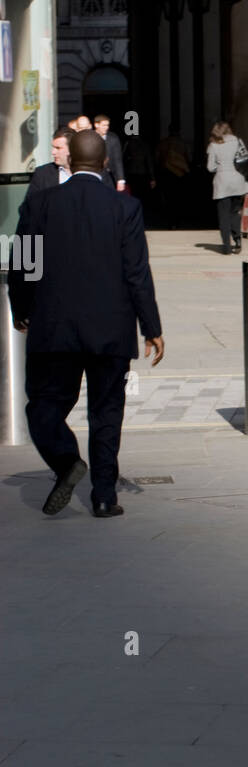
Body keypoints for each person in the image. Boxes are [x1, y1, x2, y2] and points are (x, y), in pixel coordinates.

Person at [7, 129, 164, 519]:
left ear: (70, 161)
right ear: (105, 163)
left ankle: (65, 460)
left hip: (54, 326)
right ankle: (104, 496)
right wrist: (152, 327)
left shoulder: (40, 203)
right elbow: (136, 273)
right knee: (106, 412)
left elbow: (23, 263)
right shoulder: (125, 208)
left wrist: (21, 309)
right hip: (110, 328)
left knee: (43, 407)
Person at [206, 121, 248, 254]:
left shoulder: (213, 146)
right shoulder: (237, 141)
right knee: (235, 213)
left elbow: (210, 167)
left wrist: (221, 167)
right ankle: (237, 240)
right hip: (238, 181)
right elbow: (244, 159)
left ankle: (226, 246)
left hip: (222, 183)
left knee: (223, 215)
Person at [156, 125, 191, 228]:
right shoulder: (183, 143)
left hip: (166, 172)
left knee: (168, 197)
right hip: (180, 173)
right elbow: (189, 157)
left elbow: (157, 158)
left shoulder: (163, 143)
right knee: (179, 197)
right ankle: (177, 220)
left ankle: (170, 220)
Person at [24, 126, 74, 198]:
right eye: (53, 147)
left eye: (58, 148)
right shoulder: (42, 174)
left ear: (71, 149)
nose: (53, 152)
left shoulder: (87, 172)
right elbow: (28, 205)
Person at [94, 114, 127, 191]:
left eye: (107, 125)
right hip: (94, 175)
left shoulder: (113, 138)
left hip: (109, 176)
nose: (106, 127)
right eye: (104, 125)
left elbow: (118, 160)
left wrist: (120, 180)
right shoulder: (90, 137)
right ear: (96, 125)